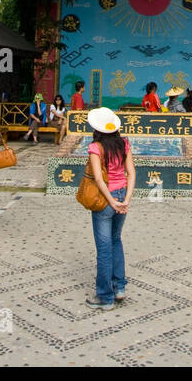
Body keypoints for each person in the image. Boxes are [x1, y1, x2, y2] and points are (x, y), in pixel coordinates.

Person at [84, 107, 134, 310]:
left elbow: (98, 178)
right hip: (122, 194)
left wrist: (111, 202)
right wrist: (126, 199)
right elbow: (131, 173)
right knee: (116, 240)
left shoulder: (96, 147)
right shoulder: (124, 144)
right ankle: (119, 287)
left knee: (104, 247)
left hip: (105, 200)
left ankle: (105, 297)